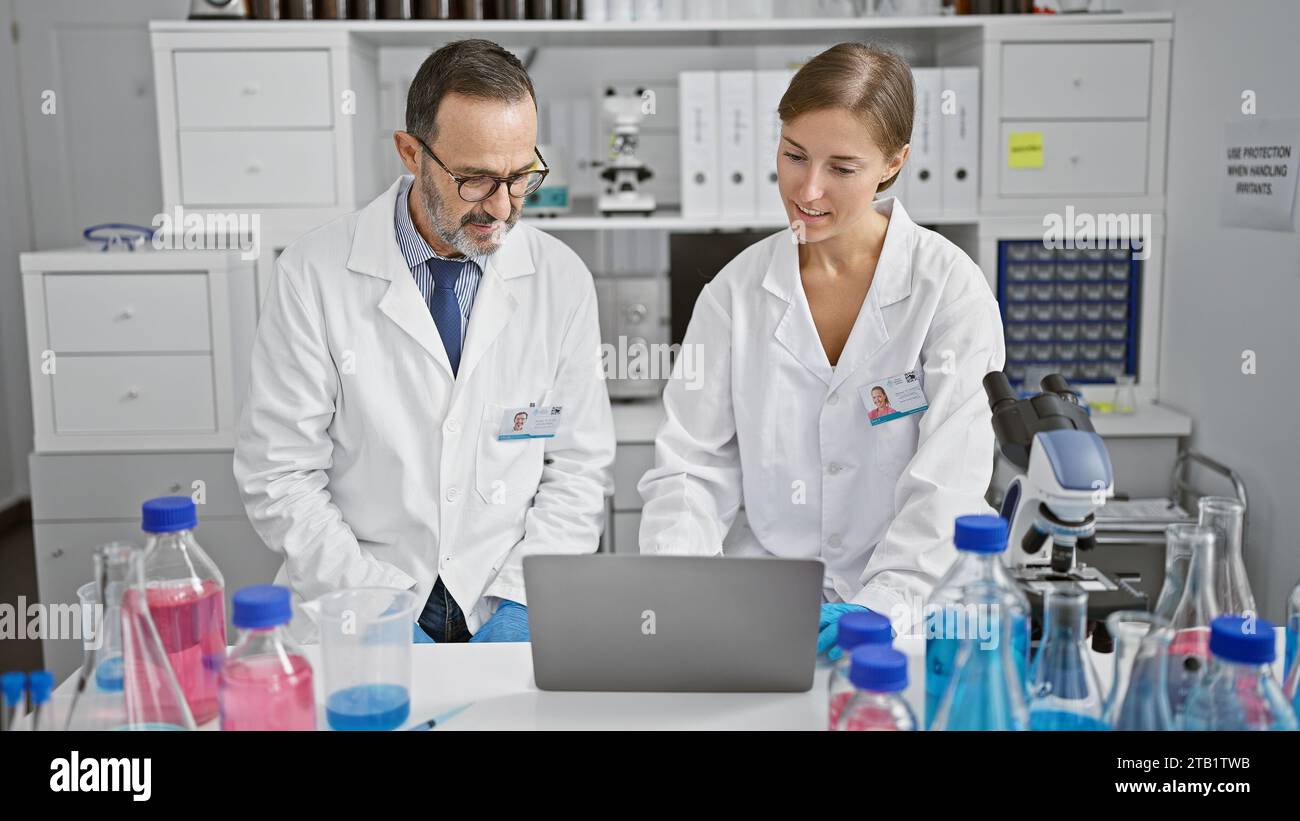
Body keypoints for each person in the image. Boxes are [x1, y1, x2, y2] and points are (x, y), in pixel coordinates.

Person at [234, 39, 615, 645]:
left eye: (521, 177)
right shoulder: (312, 273)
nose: (502, 207)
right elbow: (280, 476)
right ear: (411, 153)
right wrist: (375, 613)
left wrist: (524, 603)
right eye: (474, 180)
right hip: (359, 598)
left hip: (504, 596)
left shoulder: (560, 278)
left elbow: (577, 466)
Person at [637, 43, 1005, 656]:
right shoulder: (734, 294)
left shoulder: (949, 290)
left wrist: (881, 609)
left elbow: (948, 485)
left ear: (892, 163)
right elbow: (691, 469)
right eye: (794, 156)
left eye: (843, 167)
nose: (808, 189)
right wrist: (683, 589)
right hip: (759, 612)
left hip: (905, 618)